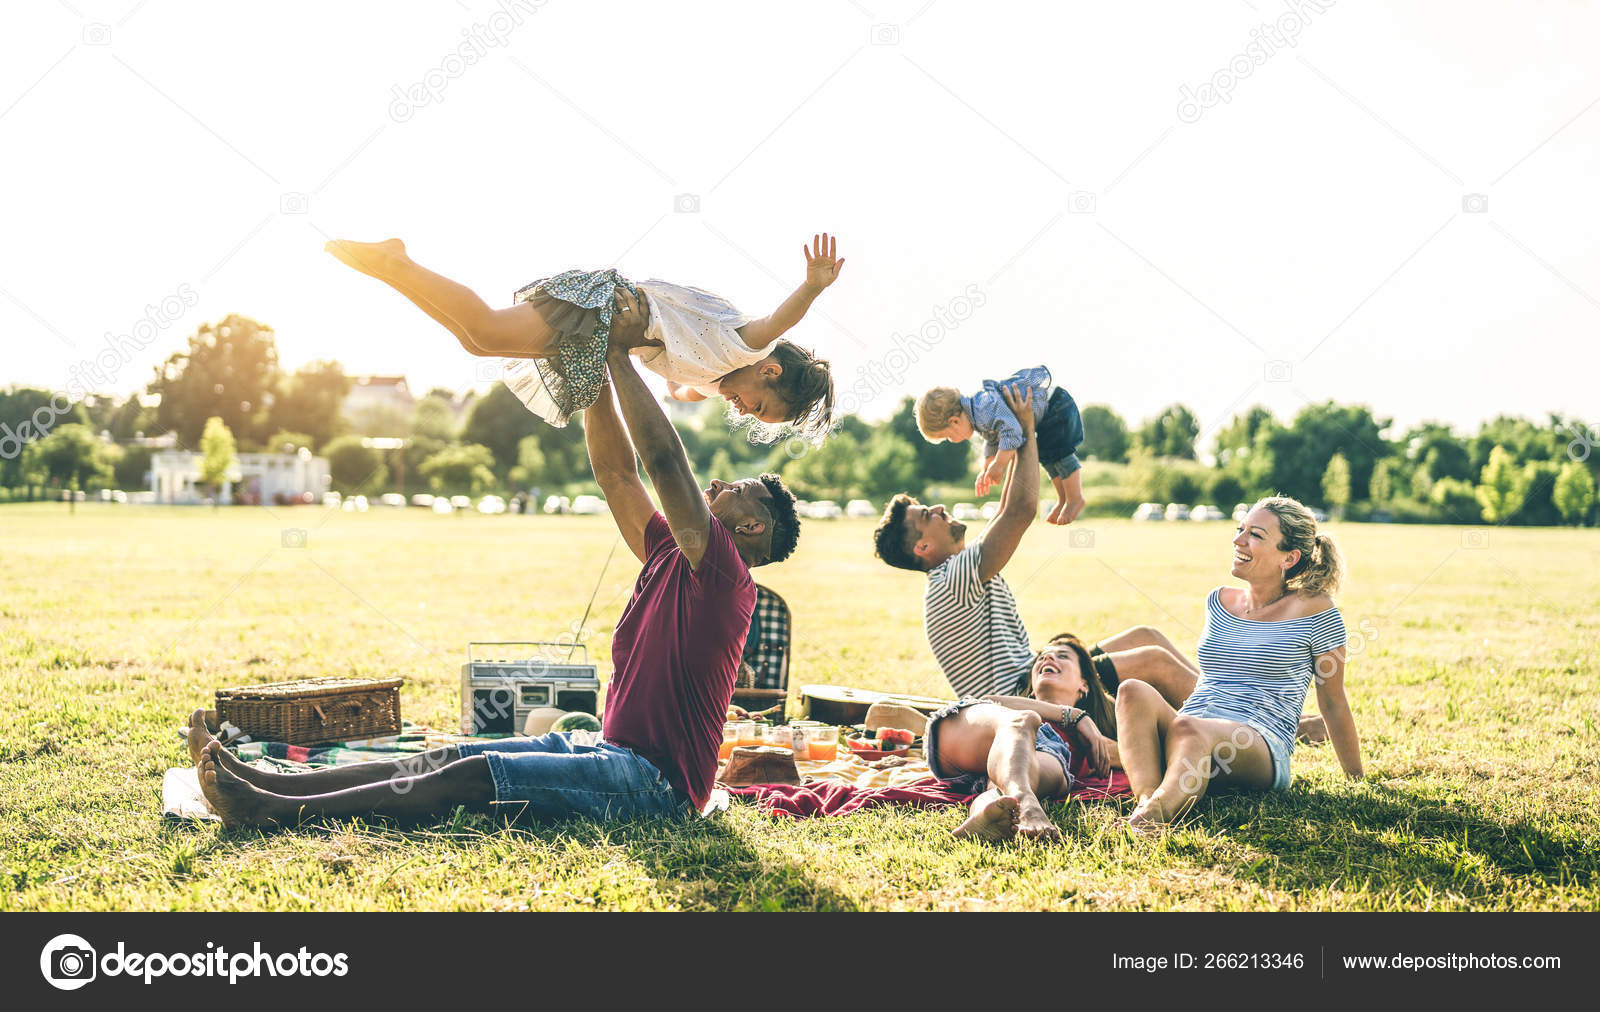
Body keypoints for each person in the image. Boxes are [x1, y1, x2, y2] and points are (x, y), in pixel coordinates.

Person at [193, 315, 803, 828]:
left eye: (738, 490)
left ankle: (273, 812)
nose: (719, 483)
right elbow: (619, 475)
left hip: (654, 788)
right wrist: (589, 369)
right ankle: (274, 784)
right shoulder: (674, 552)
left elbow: (666, 462)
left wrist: (618, 351)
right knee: (440, 758)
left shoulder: (725, 576)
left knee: (468, 776)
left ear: (751, 529)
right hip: (610, 751)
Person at [323, 233, 842, 441]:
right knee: (483, 328)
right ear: (769, 370)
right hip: (598, 309)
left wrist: (685, 391)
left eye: (752, 418)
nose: (745, 411)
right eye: (759, 406)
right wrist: (811, 286)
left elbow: (683, 390)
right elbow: (781, 321)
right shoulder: (745, 343)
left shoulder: (715, 376)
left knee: (478, 343)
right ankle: (397, 261)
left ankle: (393, 268)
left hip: (599, 333)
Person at [872, 384, 1198, 707]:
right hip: (1024, 698)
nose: (940, 509)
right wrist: (1026, 429)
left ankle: (1224, 708)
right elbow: (1020, 511)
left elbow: (1005, 511)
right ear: (923, 548)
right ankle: (1233, 729)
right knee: (1154, 660)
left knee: (1146, 637)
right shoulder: (951, 580)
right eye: (928, 515)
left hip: (1033, 674)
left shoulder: (957, 570)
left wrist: (1010, 435)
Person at [1116, 496, 1364, 835]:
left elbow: (1333, 700)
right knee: (1132, 691)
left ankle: (1155, 816)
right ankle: (1150, 801)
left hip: (1259, 744)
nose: (1238, 540)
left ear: (1289, 557)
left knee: (1191, 728)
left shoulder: (1317, 612)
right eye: (1240, 530)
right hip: (1193, 726)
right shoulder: (1218, 601)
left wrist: (1356, 779)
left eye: (1256, 535)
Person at [926, 634, 1118, 843]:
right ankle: (1027, 803)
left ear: (1084, 684)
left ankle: (982, 815)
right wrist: (1070, 715)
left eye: (1062, 656)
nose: (1048, 659)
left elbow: (1132, 755)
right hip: (968, 738)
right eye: (1042, 657)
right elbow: (988, 701)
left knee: (1002, 788)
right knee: (1023, 719)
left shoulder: (1092, 738)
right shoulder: (1018, 707)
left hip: (1037, 760)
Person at [916, 365, 1087, 524]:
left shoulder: (984, 408)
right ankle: (1063, 499)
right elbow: (992, 440)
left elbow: (1011, 433)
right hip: (1048, 413)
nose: (951, 441)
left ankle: (1075, 498)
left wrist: (999, 464)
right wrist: (987, 467)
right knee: (1048, 457)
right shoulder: (977, 417)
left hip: (1055, 405)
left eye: (947, 437)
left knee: (1060, 453)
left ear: (953, 421)